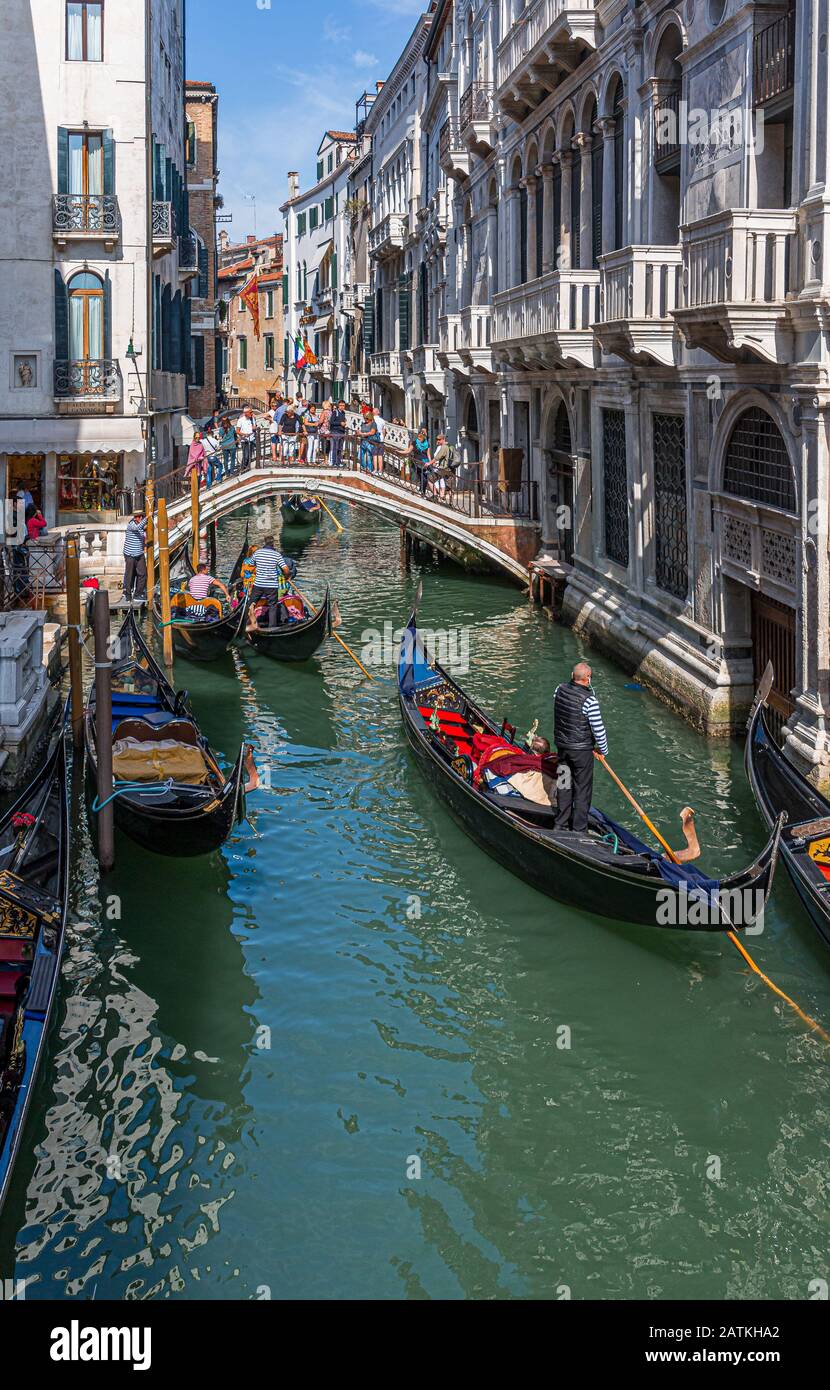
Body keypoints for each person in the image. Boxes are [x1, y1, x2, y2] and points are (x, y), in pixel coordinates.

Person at [553, 661, 608, 833]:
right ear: (588, 679)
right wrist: (603, 750)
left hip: (562, 747)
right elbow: (599, 731)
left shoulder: (558, 690)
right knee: (582, 790)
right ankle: (578, 829)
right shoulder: (590, 701)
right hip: (581, 752)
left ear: (572, 676)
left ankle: (560, 824)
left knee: (564, 783)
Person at [248, 535, 290, 628]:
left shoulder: (257, 553)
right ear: (273, 543)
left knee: (251, 603)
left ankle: (247, 623)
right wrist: (286, 577)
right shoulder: (277, 555)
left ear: (265, 542)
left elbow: (251, 564)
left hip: (258, 584)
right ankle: (272, 628)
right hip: (271, 586)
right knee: (272, 606)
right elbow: (286, 569)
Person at [123, 510, 147, 602]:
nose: (140, 518)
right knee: (129, 575)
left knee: (143, 574)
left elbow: (142, 528)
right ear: (135, 518)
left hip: (139, 554)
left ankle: (138, 594)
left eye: (141, 516)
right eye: (138, 517)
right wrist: (148, 517)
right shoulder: (131, 525)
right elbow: (138, 527)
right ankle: (128, 595)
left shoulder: (140, 526)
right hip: (130, 554)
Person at [409, 427, 432, 494]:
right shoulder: (414, 443)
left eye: (421, 437)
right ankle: (419, 491)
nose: (419, 438)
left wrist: (430, 462)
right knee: (418, 477)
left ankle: (422, 492)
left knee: (425, 479)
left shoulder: (427, 444)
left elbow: (428, 454)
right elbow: (408, 451)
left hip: (425, 463)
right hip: (417, 463)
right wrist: (400, 452)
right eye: (419, 437)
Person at [328, 399, 347, 468]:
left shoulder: (343, 413)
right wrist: (340, 423)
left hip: (342, 432)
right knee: (335, 448)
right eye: (341, 405)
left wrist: (344, 423)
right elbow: (331, 422)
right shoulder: (335, 412)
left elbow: (342, 421)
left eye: (343, 405)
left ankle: (339, 462)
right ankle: (334, 462)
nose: (342, 407)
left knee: (340, 448)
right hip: (335, 432)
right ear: (338, 406)